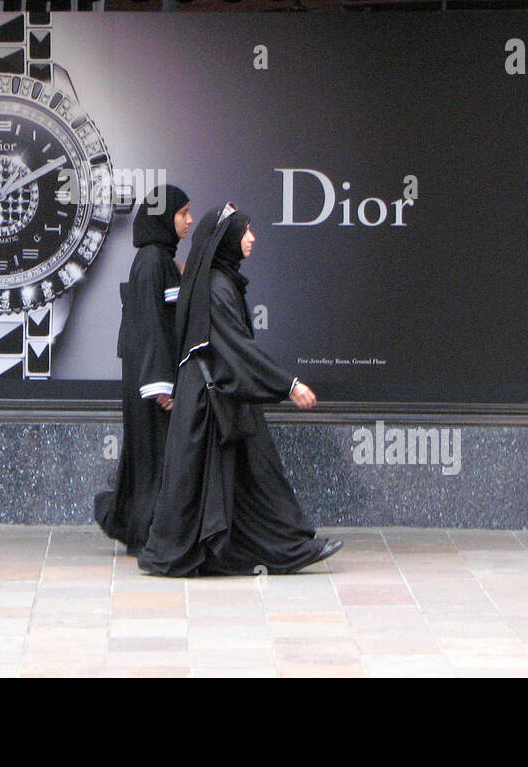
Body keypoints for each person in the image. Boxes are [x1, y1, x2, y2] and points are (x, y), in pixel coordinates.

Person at [138, 205, 342, 577]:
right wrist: (288, 385)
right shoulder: (217, 287)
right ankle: (286, 548)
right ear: (228, 239)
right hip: (210, 405)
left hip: (220, 399)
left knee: (253, 478)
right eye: (246, 230)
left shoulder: (220, 282)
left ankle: (290, 547)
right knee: (250, 477)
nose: (253, 237)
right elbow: (237, 347)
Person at [94, 184, 191, 555]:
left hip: (150, 378)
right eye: (182, 213)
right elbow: (151, 325)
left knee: (149, 454)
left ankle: (140, 525)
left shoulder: (157, 260)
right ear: (164, 217)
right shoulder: (153, 261)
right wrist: (161, 385)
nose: (189, 220)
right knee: (156, 454)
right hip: (153, 383)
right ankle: (150, 530)